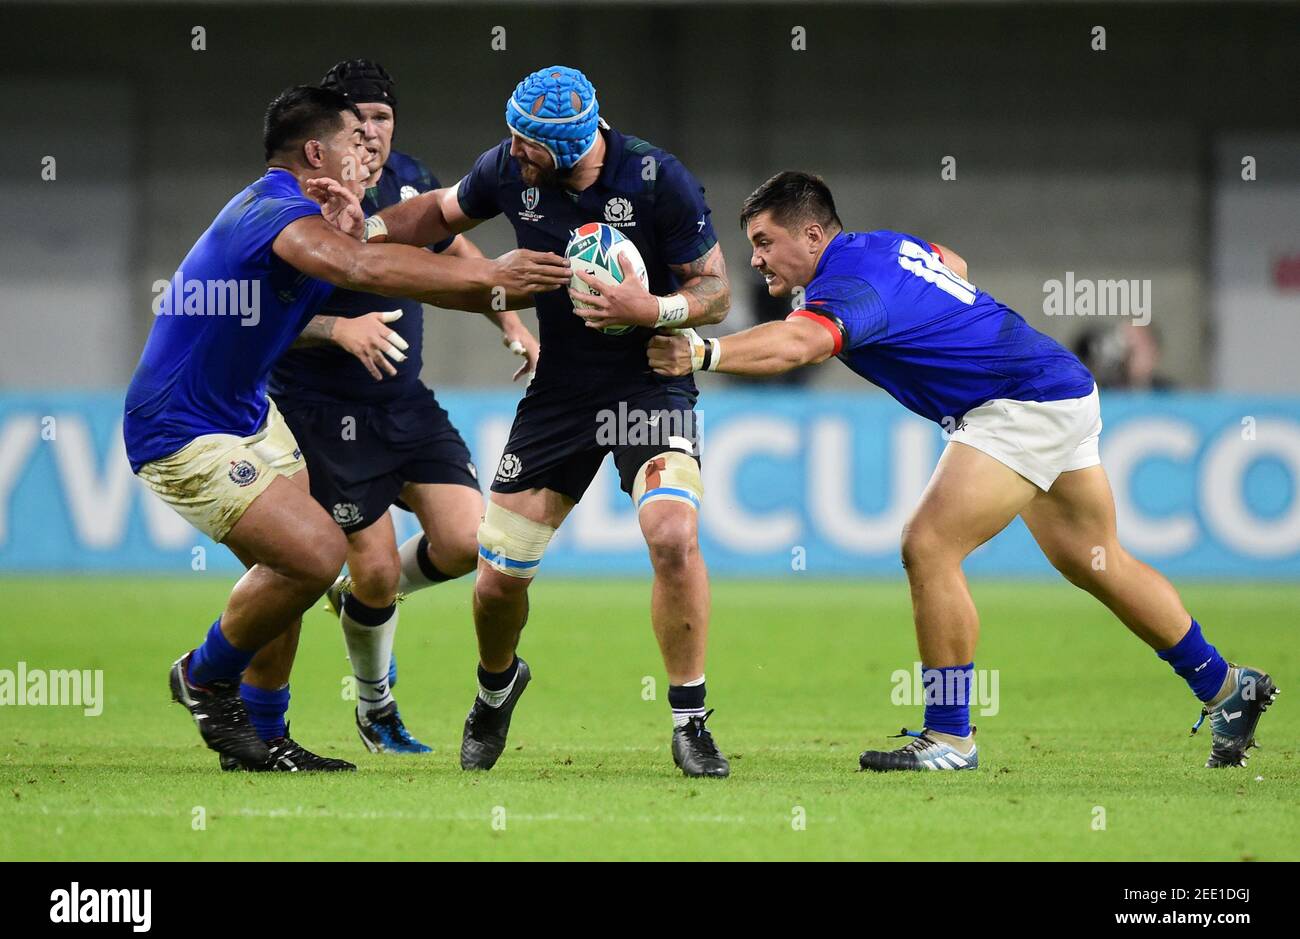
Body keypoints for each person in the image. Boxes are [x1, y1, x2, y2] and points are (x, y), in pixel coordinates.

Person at [647, 170, 1279, 771]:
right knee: (1096, 559)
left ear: (813, 235)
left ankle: (950, 735)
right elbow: (951, 262)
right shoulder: (884, 248)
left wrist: (703, 350)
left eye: (764, 241)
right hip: (1053, 384)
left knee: (929, 547)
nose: (755, 259)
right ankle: (1227, 688)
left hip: (1017, 403)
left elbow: (799, 345)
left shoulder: (851, 283)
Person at [124, 85, 568, 771]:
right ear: (314, 151)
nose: (365, 150)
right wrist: (492, 280)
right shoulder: (274, 210)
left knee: (289, 576)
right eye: (350, 139)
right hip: (181, 424)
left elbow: (373, 263)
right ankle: (203, 677)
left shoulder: (305, 213)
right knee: (312, 556)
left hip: (246, 410)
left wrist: (365, 232)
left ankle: (264, 737)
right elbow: (363, 269)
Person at [311, 65, 734, 777]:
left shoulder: (658, 179)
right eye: (511, 133)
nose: (513, 148)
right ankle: (496, 688)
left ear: (569, 149)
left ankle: (690, 721)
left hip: (647, 387)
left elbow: (716, 290)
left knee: (671, 535)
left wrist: (653, 311)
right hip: (560, 396)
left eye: (528, 142)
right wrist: (371, 227)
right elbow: (442, 214)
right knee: (501, 576)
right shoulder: (509, 167)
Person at [254, 59, 540, 760]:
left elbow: (452, 243)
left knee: (472, 541)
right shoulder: (296, 200)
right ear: (327, 134)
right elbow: (256, 309)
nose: (372, 134)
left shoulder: (408, 178)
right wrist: (337, 329)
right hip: (323, 411)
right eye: (357, 121)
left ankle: (353, 596)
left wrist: (509, 320)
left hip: (404, 403)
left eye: (381, 118)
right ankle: (375, 706)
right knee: (378, 572)